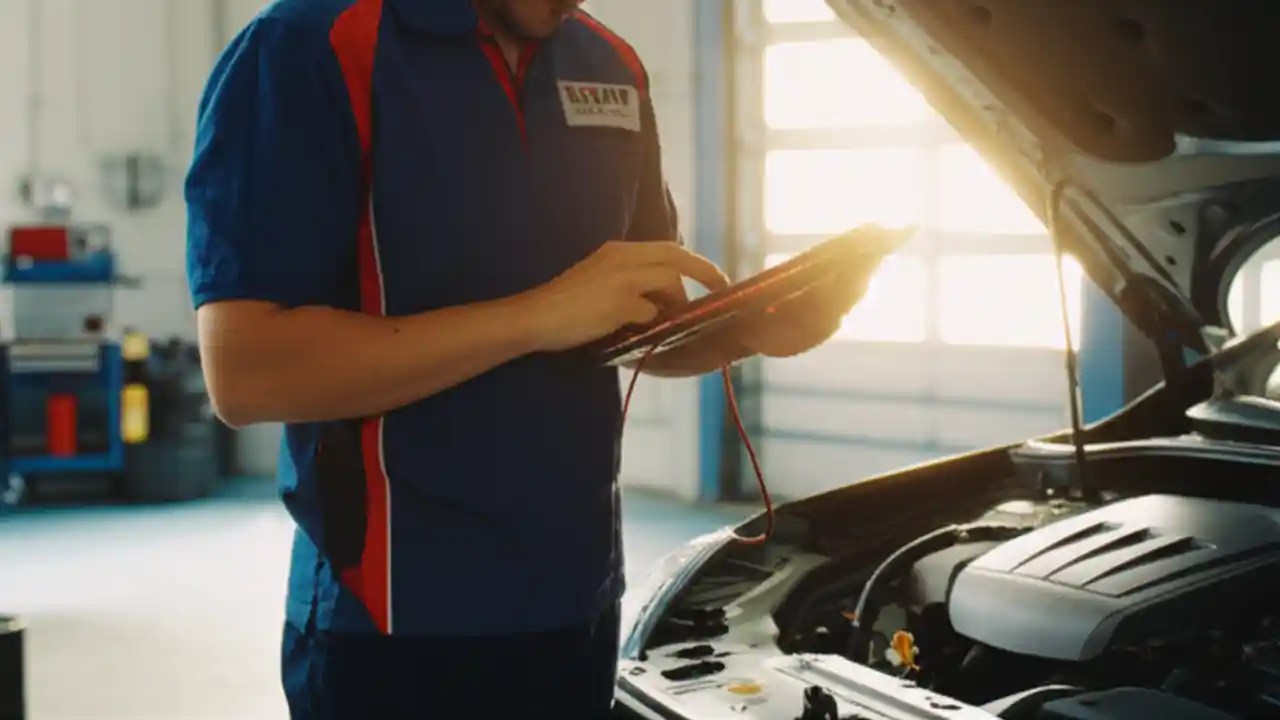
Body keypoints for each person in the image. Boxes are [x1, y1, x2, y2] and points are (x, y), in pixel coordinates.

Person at [184, 0, 866, 716]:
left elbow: (626, 325)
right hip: (396, 624)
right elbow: (247, 371)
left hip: (576, 606)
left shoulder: (610, 65)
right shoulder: (306, 48)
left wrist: (751, 331)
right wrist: (534, 318)